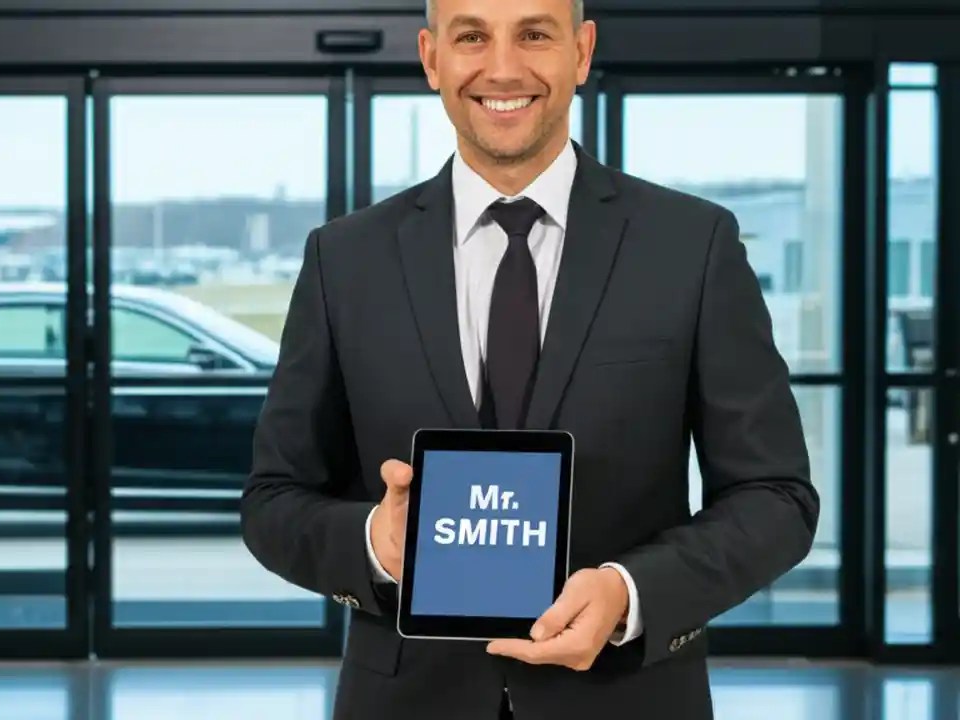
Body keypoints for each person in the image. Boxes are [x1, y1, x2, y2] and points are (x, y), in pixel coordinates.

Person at [240, 0, 820, 717]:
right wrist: (375, 544)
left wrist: (630, 591)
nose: (503, 67)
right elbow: (272, 501)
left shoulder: (691, 246)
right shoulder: (345, 259)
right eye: (472, 36)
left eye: (535, 34)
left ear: (581, 52)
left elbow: (776, 498)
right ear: (432, 58)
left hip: (626, 698)